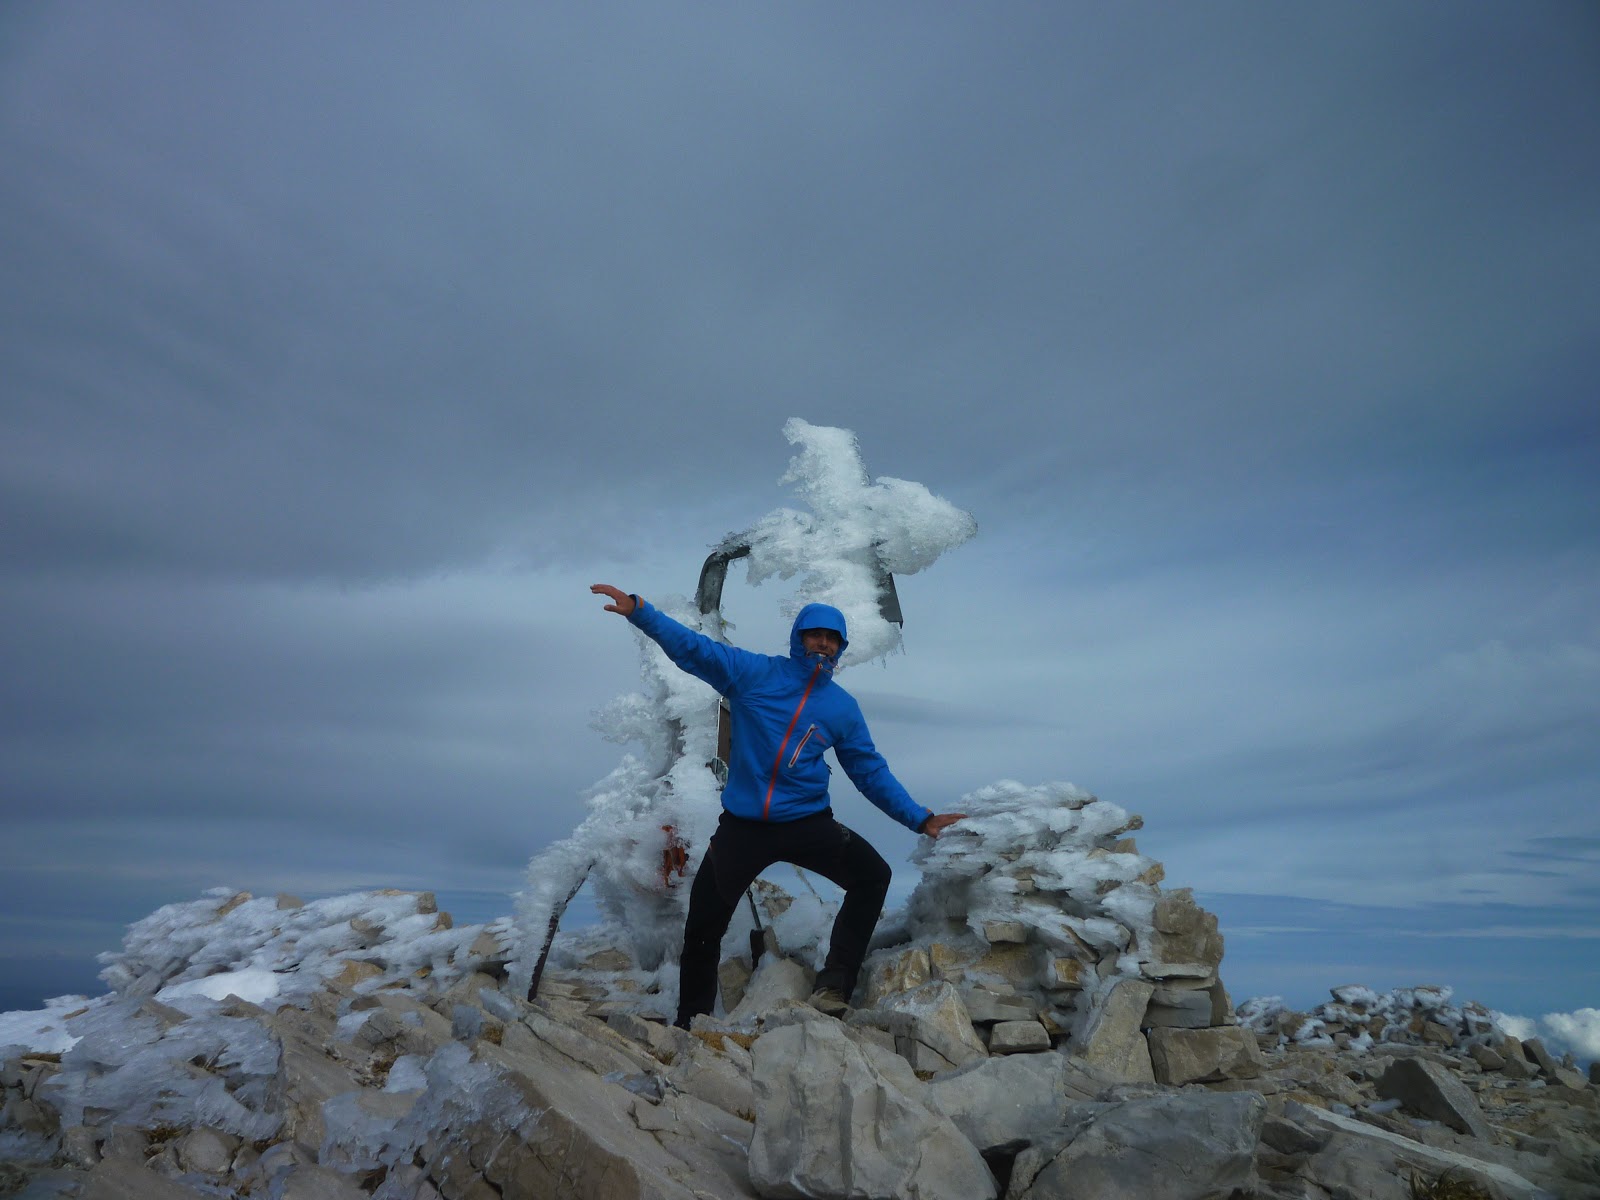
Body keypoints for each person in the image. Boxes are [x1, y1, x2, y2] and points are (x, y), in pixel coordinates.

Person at [590, 583, 964, 1026]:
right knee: (704, 922)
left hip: (808, 822)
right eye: (815, 634)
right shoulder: (753, 674)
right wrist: (641, 612)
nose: (823, 643)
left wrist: (920, 818)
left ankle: (833, 986)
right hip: (744, 827)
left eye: (832, 638)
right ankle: (691, 1022)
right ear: (798, 638)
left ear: (840, 647)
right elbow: (694, 650)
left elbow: (869, 772)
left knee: (873, 876)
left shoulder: (841, 708)